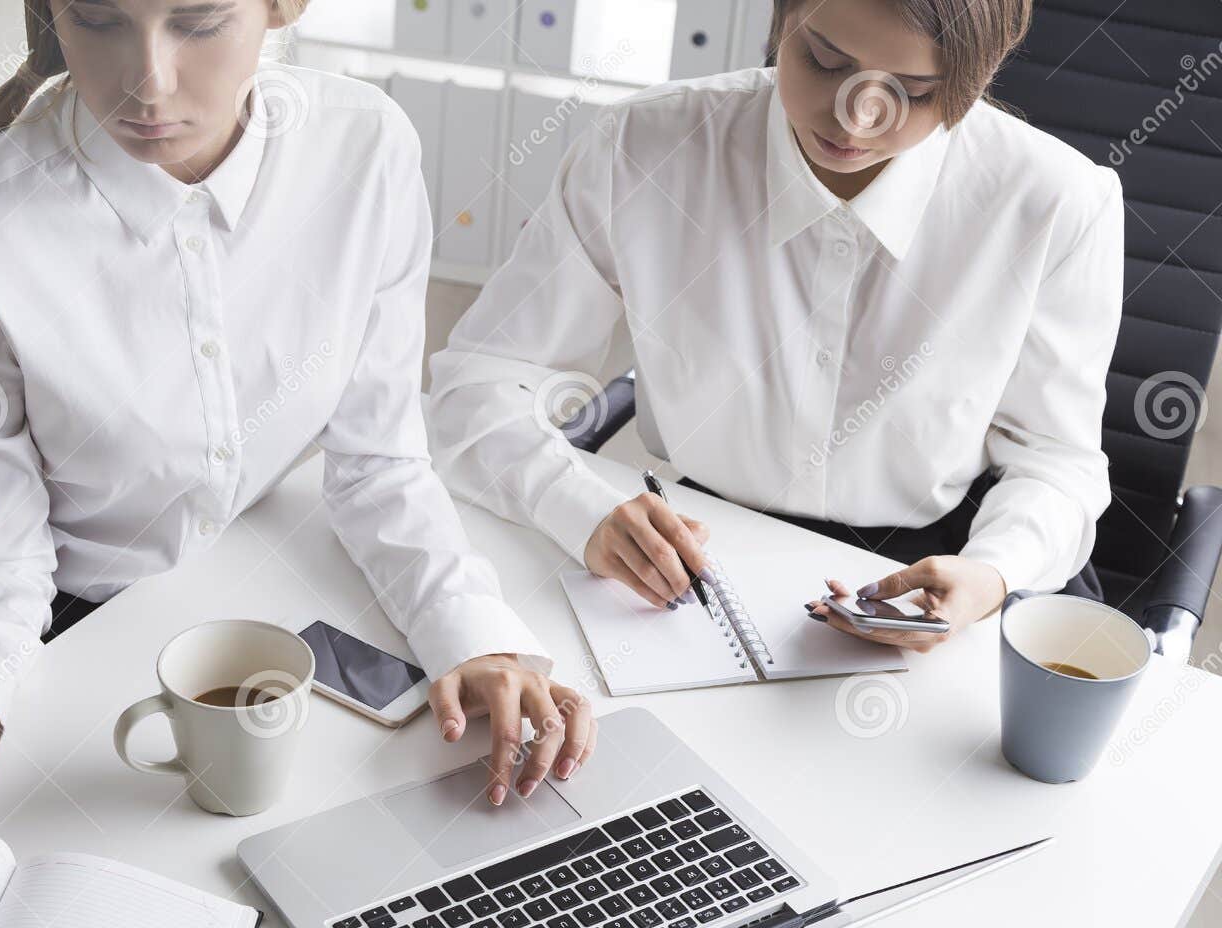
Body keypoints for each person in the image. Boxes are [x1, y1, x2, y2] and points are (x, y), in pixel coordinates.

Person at [0, 0, 599, 878]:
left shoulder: (365, 151)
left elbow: (378, 462)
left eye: (199, 23)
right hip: (11, 611)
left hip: (209, 597)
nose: (148, 82)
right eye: (98, 22)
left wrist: (470, 632)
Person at [426, 0, 1121, 651]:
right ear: (783, 16)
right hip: (702, 545)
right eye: (825, 61)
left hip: (933, 561)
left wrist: (994, 572)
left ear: (980, 75)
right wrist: (576, 507)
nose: (856, 120)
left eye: (912, 90)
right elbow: (477, 384)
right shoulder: (644, 148)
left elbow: (1057, 461)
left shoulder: (1056, 203)